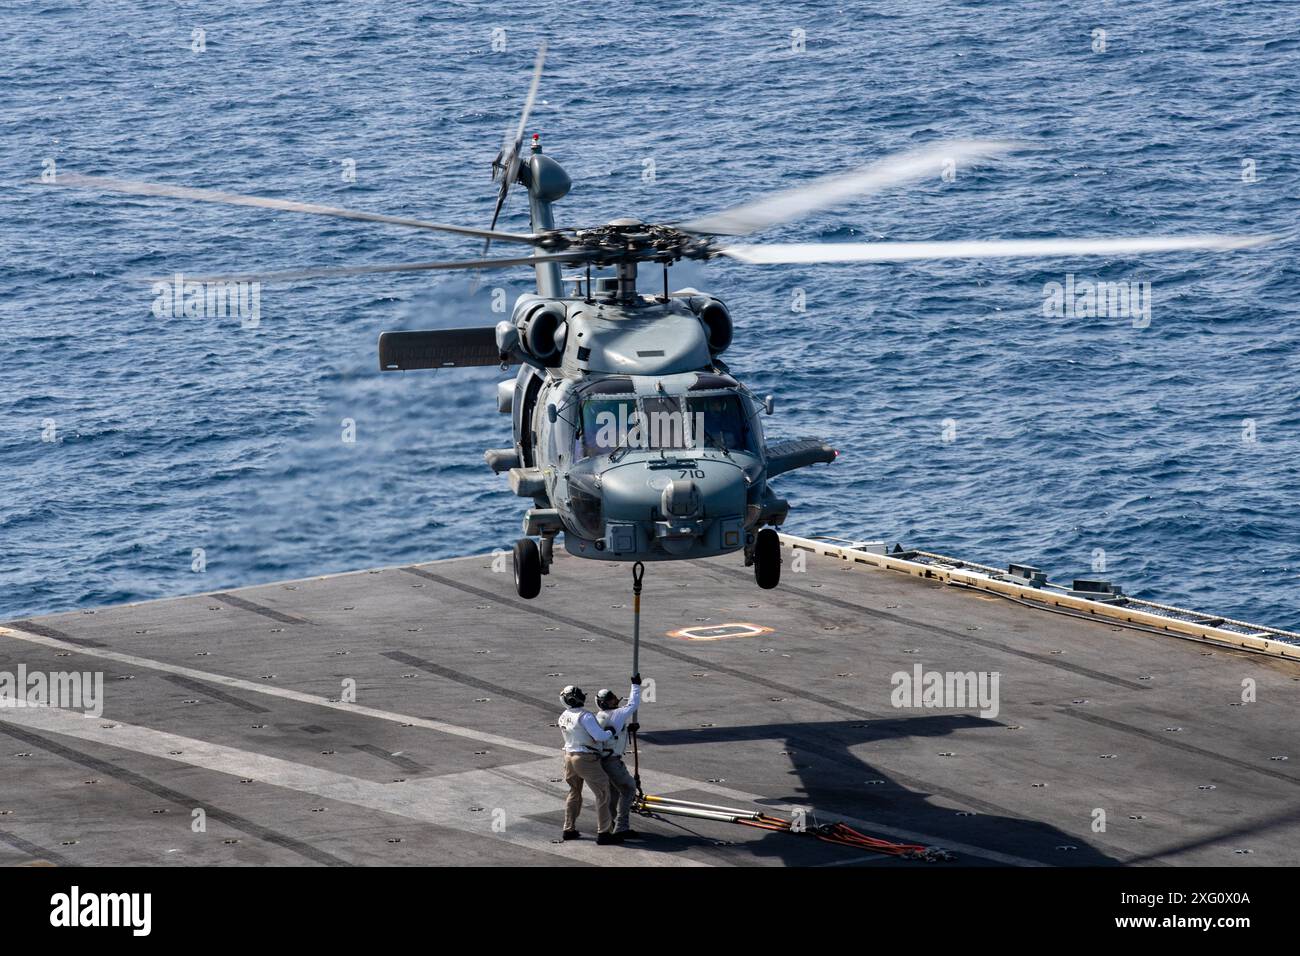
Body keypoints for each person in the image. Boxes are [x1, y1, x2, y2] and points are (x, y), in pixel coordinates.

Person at [556, 684, 617, 844]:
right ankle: (604, 832)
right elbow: (600, 736)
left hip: (568, 756)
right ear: (573, 698)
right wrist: (611, 731)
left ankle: (568, 828)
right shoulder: (585, 716)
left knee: (574, 792)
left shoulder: (563, 715)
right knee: (603, 792)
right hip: (585, 758)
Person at [595, 674, 643, 842]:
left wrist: (627, 729)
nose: (615, 700)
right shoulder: (616, 714)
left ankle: (609, 825)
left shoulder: (599, 716)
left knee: (613, 793)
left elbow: (611, 734)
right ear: (605, 703)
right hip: (612, 761)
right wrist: (636, 686)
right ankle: (621, 827)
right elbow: (633, 704)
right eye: (611, 699)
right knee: (628, 789)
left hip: (602, 760)